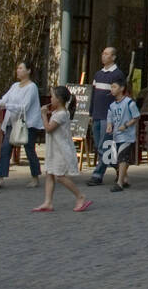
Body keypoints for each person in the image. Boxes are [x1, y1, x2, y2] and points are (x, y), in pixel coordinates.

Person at [0, 61, 44, 190]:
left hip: (28, 123)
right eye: (17, 68)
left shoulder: (32, 87)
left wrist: (6, 106)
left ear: (28, 71)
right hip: (13, 122)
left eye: (21, 68)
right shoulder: (15, 86)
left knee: (29, 150)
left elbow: (25, 107)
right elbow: (4, 99)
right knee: (5, 148)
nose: (18, 70)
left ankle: (35, 178)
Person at [34, 86, 92, 212]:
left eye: (52, 97)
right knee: (49, 173)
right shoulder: (60, 112)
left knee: (59, 176)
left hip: (59, 150)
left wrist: (43, 115)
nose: (51, 98)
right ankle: (48, 202)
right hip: (54, 149)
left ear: (59, 99)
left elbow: (49, 128)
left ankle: (80, 196)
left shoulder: (60, 115)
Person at [87, 47, 127, 186]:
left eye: (107, 54)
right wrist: (91, 113)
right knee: (100, 145)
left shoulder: (117, 74)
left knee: (104, 145)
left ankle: (97, 174)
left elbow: (119, 96)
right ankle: (119, 168)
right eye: (103, 53)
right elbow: (93, 94)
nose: (103, 56)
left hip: (108, 116)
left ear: (113, 57)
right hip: (97, 114)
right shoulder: (98, 74)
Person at [105, 80, 141, 191]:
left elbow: (136, 117)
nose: (112, 89)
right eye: (111, 87)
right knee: (111, 159)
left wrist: (126, 125)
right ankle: (124, 178)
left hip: (127, 136)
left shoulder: (129, 103)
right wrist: (109, 126)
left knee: (122, 157)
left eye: (114, 86)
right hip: (116, 136)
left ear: (122, 88)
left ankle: (119, 183)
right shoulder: (111, 106)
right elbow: (109, 118)